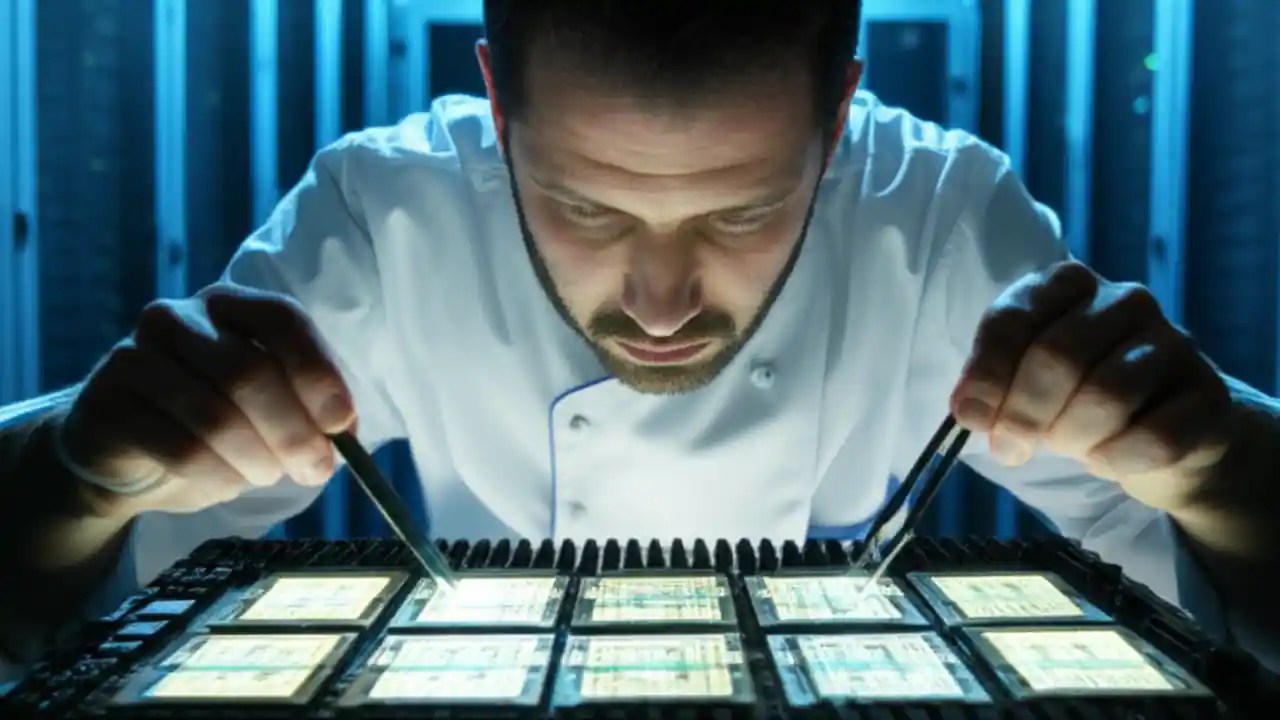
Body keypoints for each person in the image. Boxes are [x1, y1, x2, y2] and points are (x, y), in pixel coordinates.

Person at [2, 0, 1279, 687]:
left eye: (742, 209)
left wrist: (1210, 462)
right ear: (497, 106)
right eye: (583, 206)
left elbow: (1188, 587)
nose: (660, 301)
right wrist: (80, 470)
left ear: (839, 118)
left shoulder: (937, 214)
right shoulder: (384, 213)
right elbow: (88, 597)